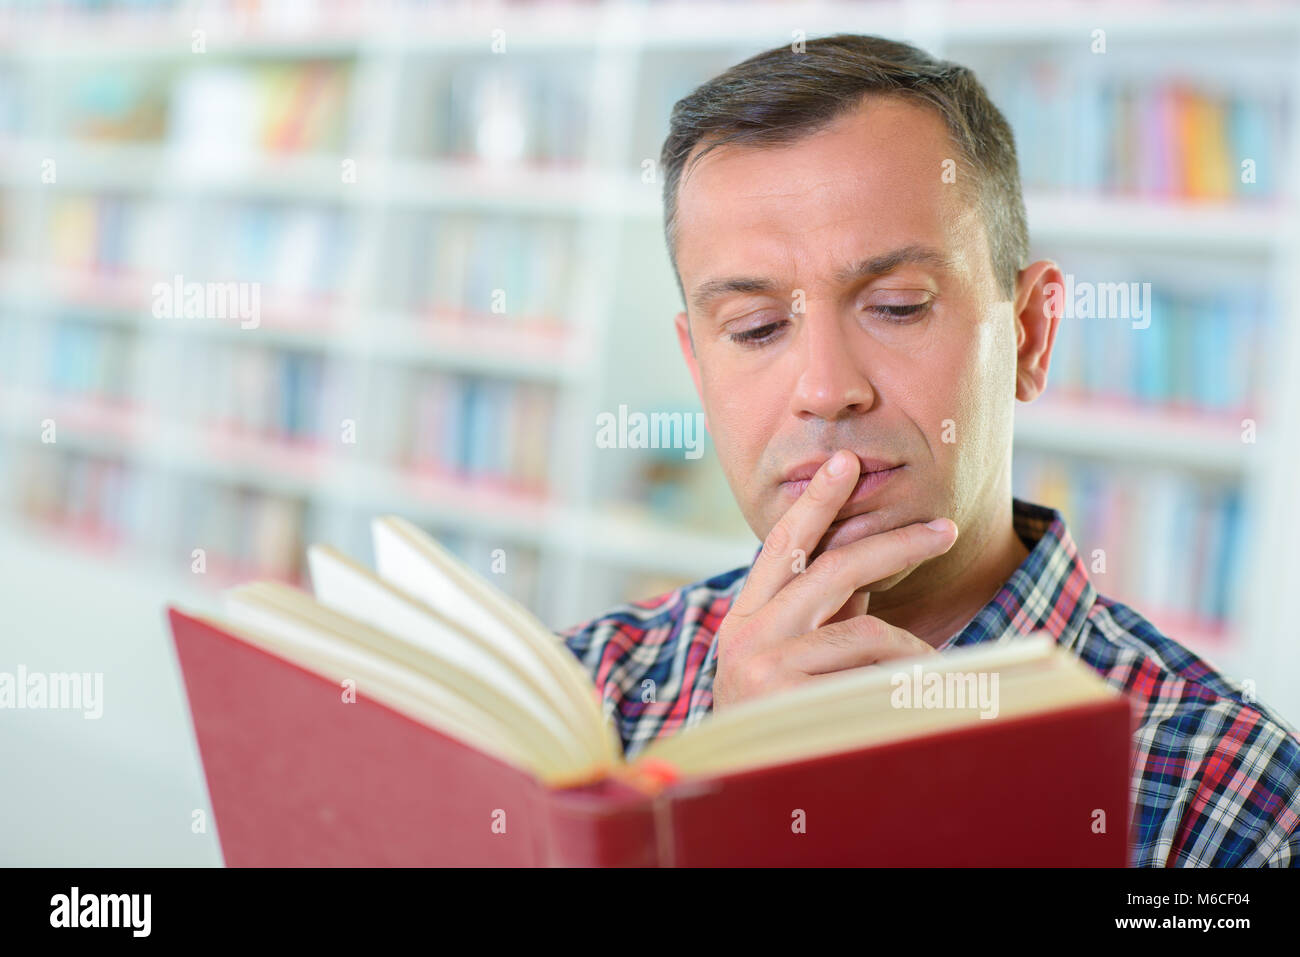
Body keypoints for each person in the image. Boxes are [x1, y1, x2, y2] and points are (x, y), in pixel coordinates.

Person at [559, 34, 1299, 867]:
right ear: (699, 368)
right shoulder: (581, 699)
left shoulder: (1240, 800)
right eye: (756, 328)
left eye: (899, 306)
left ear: (1028, 334)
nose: (826, 387)